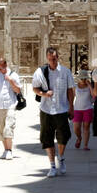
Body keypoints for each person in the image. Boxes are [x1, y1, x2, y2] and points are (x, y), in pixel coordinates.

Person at [31, 46, 75, 177]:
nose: (53, 62)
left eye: (54, 59)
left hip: (61, 109)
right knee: (47, 138)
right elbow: (35, 88)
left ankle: (60, 158)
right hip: (46, 110)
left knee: (63, 137)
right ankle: (52, 166)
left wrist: (71, 107)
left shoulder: (66, 72)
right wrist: (43, 94)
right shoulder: (40, 72)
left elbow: (70, 90)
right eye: (50, 59)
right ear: (47, 58)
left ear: (58, 57)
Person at [72, 66, 94, 150]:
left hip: (88, 108)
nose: (83, 80)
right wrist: (70, 107)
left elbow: (93, 95)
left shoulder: (89, 86)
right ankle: (79, 138)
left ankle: (85, 145)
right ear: (79, 79)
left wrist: (89, 85)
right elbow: (72, 97)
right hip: (77, 109)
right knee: (76, 128)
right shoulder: (75, 86)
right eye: (82, 78)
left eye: (85, 78)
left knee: (86, 127)